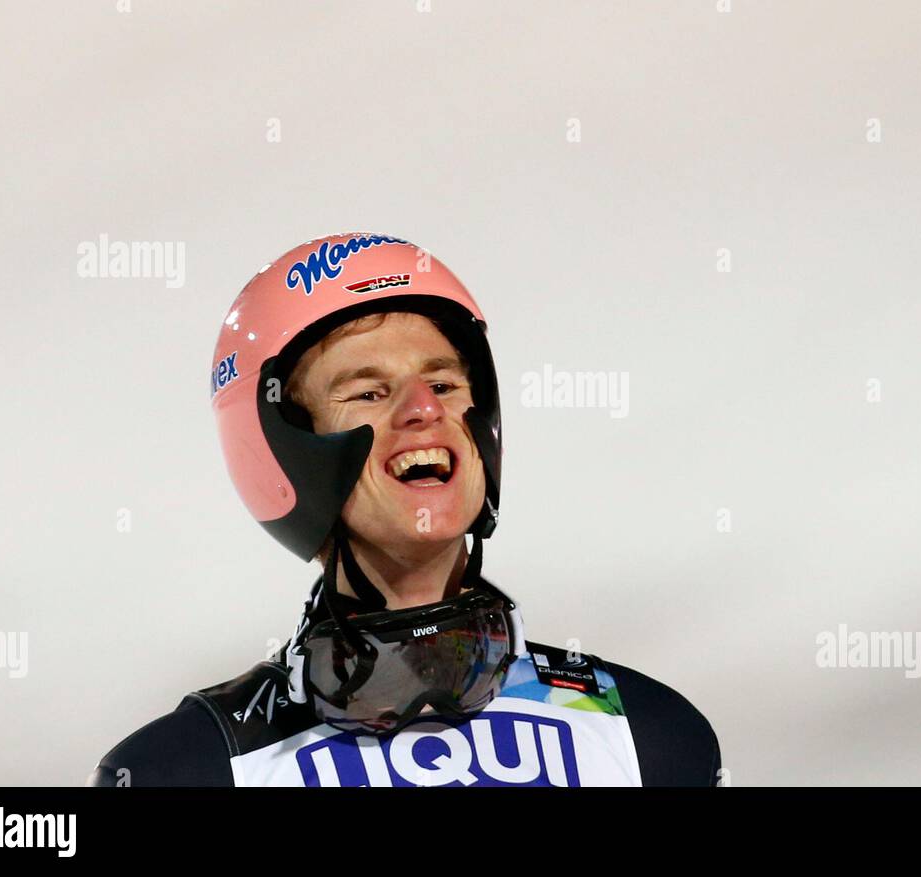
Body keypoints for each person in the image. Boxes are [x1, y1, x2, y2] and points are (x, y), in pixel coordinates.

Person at [87, 233, 721, 787]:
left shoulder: (651, 739)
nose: (423, 409)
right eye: (368, 392)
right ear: (282, 453)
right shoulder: (187, 770)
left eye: (444, 384)